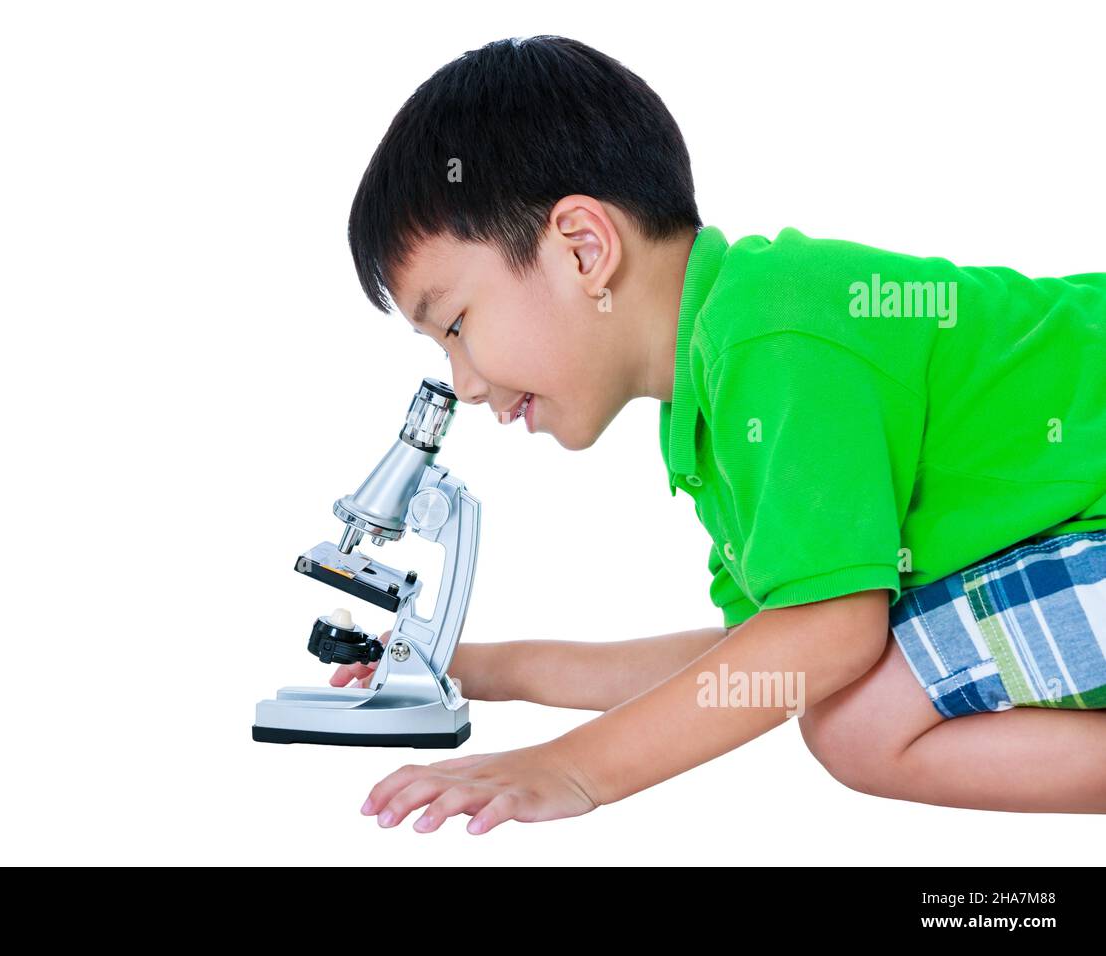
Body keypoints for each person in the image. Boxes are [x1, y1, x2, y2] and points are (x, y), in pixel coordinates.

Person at [332, 35, 1106, 833]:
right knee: (847, 700)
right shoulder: (716, 406)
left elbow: (827, 638)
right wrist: (479, 667)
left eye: (456, 324)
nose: (463, 382)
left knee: (858, 721)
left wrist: (573, 768)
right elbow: (748, 664)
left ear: (583, 248)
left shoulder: (772, 330)